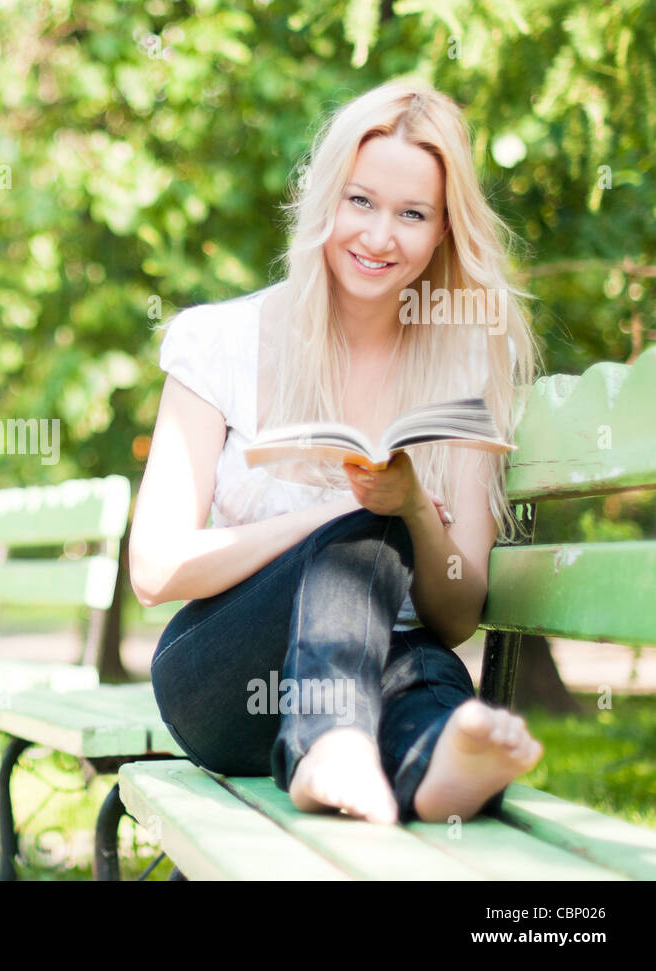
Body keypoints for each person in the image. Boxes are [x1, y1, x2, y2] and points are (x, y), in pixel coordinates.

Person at [130, 80, 544, 825]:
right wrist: (338, 511)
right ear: (324, 199)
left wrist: (415, 506)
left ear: (444, 230)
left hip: (395, 668)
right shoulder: (219, 343)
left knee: (422, 668)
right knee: (367, 530)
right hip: (226, 676)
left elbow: (453, 617)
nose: (380, 236)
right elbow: (156, 570)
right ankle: (334, 742)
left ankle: (440, 762)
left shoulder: (465, 369)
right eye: (361, 201)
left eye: (412, 214)